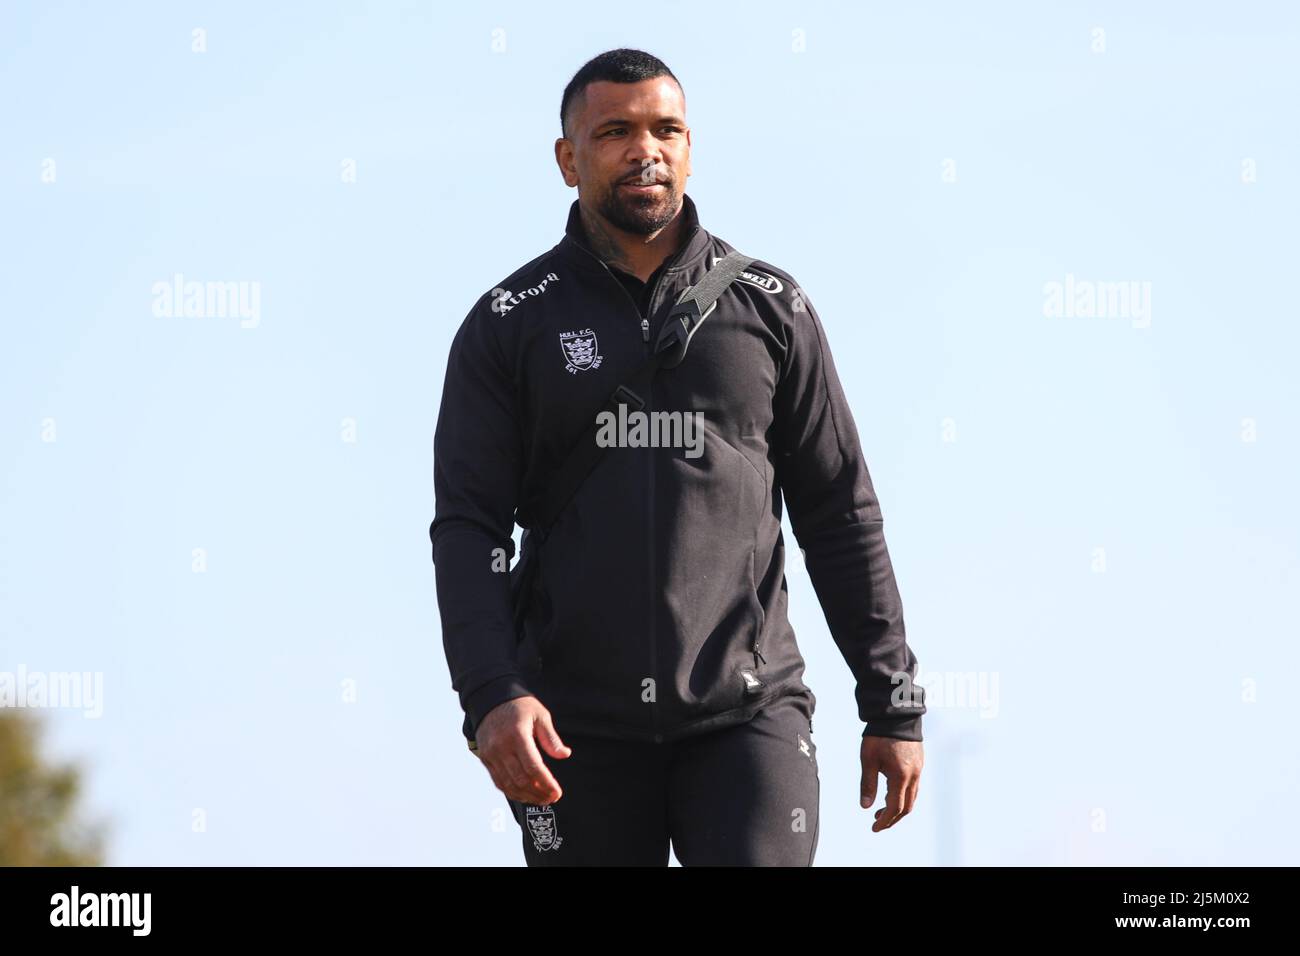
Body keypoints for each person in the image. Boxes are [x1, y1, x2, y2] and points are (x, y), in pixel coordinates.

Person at [429, 48, 925, 866]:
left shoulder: (774, 309)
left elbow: (840, 513)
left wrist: (893, 701)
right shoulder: (507, 324)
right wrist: (491, 695)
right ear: (568, 159)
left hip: (749, 716)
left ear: (690, 148)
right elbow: (469, 527)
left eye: (666, 129)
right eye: (615, 131)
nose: (645, 148)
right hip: (569, 727)